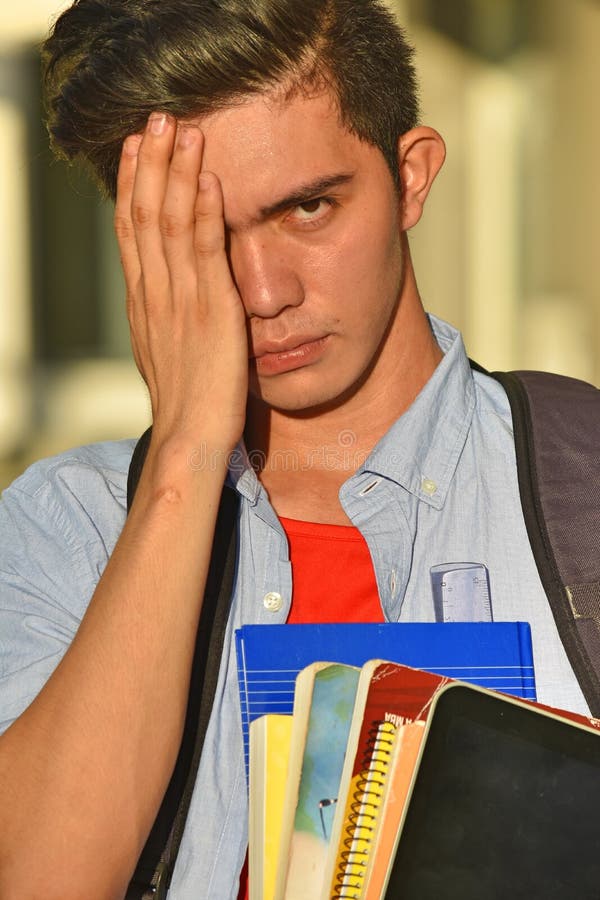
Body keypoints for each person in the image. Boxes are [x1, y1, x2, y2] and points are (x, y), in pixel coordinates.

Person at [0, 1, 592, 898]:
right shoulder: (66, 532)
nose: (265, 292)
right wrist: (187, 458)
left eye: (309, 207)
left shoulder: (583, 481)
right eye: (203, 239)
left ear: (412, 176)